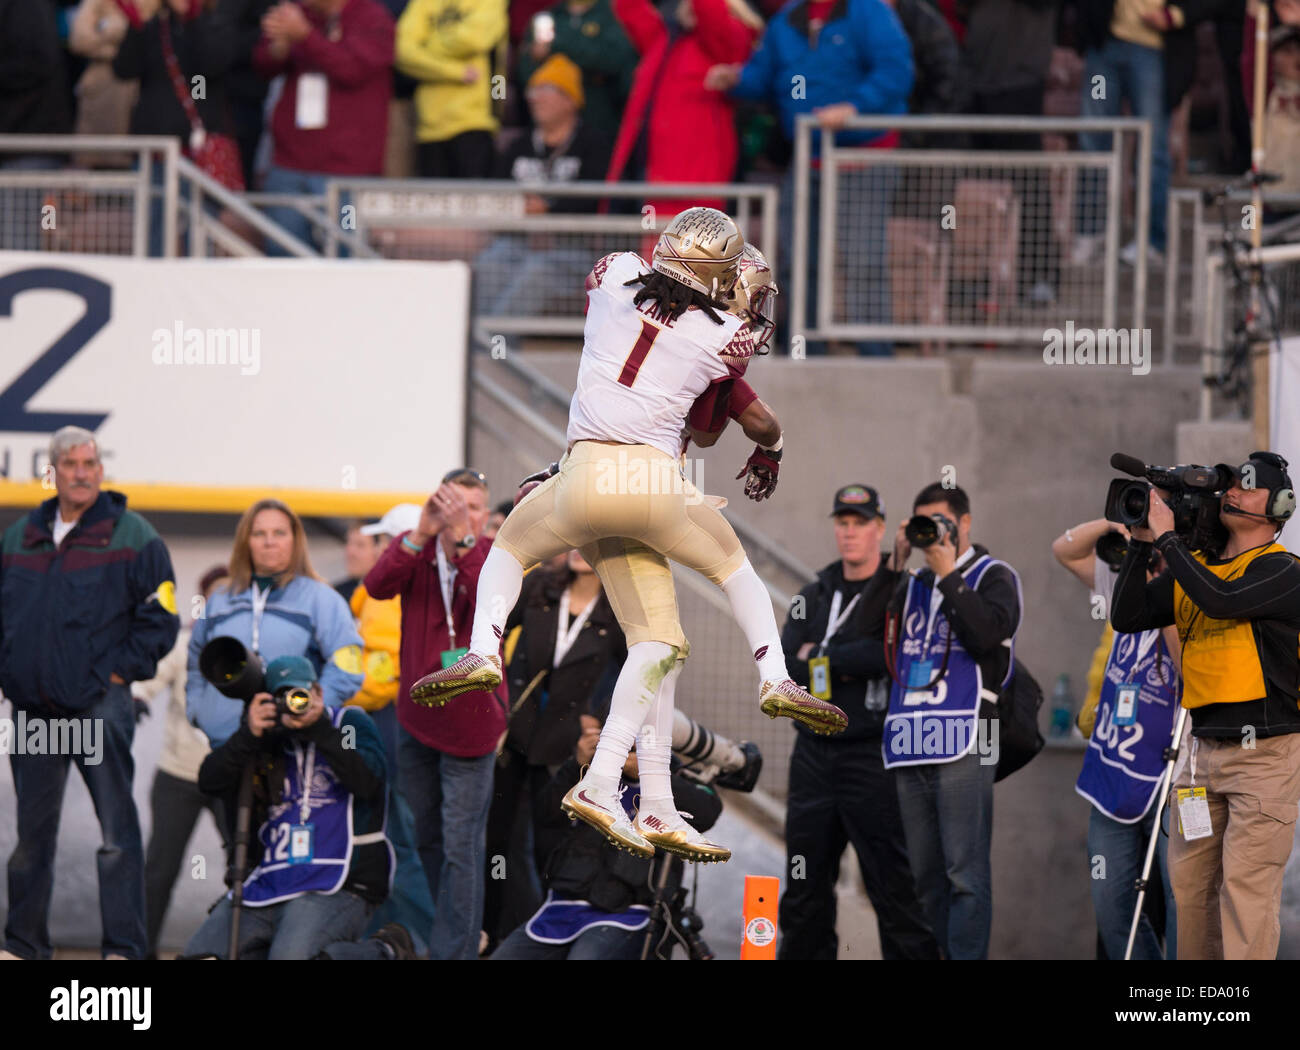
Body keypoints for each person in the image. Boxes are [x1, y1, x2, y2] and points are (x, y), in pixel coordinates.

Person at [411, 210, 848, 864]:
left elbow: (622, 278)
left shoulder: (617, 274)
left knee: (516, 554)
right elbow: (729, 419)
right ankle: (774, 675)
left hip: (581, 478)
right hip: (653, 488)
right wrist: (772, 447)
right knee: (727, 575)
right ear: (721, 281)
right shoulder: (723, 332)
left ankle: (495, 662)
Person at [1110, 452, 1300, 960]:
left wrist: (1170, 539)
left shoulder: (1283, 570)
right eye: (1231, 484)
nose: (1233, 492)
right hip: (1200, 754)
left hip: (1265, 758)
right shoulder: (1198, 571)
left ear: (1281, 505)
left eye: (1250, 486)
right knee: (1191, 897)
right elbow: (1126, 616)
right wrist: (1139, 544)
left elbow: (1223, 599)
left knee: (1245, 897)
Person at [0, 426, 179, 961]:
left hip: (98, 708)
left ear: (101, 470)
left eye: (90, 463)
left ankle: (123, 950)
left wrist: (117, 676)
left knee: (115, 838)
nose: (82, 472)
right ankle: (23, 945)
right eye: (71, 464)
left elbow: (162, 618)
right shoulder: (18, 538)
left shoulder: (134, 535)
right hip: (34, 713)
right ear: (51, 472)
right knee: (31, 841)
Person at [778, 485, 940, 960]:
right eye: (842, 522)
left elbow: (891, 656)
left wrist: (824, 655)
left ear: (880, 530)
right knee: (804, 887)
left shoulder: (902, 588)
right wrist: (846, 659)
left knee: (894, 888)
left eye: (860, 523)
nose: (849, 532)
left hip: (871, 754)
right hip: (812, 755)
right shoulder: (815, 593)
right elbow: (787, 669)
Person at [705, 0, 913, 356]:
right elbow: (763, 76)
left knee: (863, 260)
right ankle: (805, 348)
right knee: (798, 259)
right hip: (806, 159)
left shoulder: (868, 11)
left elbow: (896, 71)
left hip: (862, 158)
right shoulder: (788, 19)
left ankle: (876, 355)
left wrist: (856, 108)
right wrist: (737, 79)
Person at [362, 469, 505, 960]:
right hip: (416, 721)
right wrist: (422, 532)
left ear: (485, 517)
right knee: (427, 840)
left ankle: (456, 953)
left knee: (460, 848)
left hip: (472, 725)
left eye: (474, 508)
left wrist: (463, 537)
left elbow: (492, 600)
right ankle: (456, 939)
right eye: (453, 504)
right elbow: (377, 586)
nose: (463, 515)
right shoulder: (417, 548)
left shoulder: (493, 556)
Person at [183, 656, 408, 959]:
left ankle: (383, 952)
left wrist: (319, 729)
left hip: (339, 881)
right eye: (283, 697)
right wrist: (248, 735)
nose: (294, 704)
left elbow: (369, 782)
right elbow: (209, 781)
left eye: (299, 694)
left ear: (318, 692)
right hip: (270, 880)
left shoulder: (348, 723)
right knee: (200, 957)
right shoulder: (265, 740)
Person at [883, 482, 1022, 960]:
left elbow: (987, 636)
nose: (934, 535)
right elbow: (870, 632)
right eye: (924, 525)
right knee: (925, 876)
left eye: (941, 523)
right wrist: (897, 562)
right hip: (910, 738)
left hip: (969, 737)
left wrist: (948, 575)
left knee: (965, 873)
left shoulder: (994, 575)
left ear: (964, 524)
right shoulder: (911, 582)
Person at [490, 705, 726, 960]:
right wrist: (576, 764)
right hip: (564, 905)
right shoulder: (594, 768)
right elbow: (545, 815)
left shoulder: (673, 774)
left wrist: (652, 775)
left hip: (629, 912)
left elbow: (708, 812)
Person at [483, 547, 626, 949]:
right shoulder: (539, 587)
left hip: (566, 745)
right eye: (575, 539)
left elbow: (638, 673)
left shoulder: (617, 612)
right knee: (497, 840)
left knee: (551, 841)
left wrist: (598, 718)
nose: (581, 549)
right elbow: (488, 632)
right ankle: (490, 934)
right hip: (514, 734)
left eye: (594, 541)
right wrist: (493, 694)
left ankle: (551, 936)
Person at [1053, 517, 1180, 960]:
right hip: (1113, 772)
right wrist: (1117, 524)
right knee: (1111, 907)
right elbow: (1065, 549)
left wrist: (1165, 583)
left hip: (1169, 783)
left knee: (1181, 910)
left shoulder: (1191, 588)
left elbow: (1192, 672)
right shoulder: (1123, 584)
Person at [187, 497, 365, 751]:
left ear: (295, 540)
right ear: (245, 542)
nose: (269, 541)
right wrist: (198, 711)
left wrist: (313, 708)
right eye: (259, 533)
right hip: (226, 747)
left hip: (294, 748)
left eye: (279, 533)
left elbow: (349, 662)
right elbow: (195, 659)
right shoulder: (219, 601)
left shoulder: (322, 599)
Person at [473, 53, 614, 326]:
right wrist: (519, 209)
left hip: (572, 245)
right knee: (489, 263)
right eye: (534, 90)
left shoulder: (593, 143)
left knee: (537, 272)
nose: (535, 97)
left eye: (546, 90)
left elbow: (595, 198)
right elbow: (497, 190)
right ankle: (473, 344)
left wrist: (548, 209)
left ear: (570, 100)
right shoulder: (519, 145)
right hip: (518, 238)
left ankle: (495, 345)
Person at [137, 564, 233, 959]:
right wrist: (136, 697)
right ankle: (139, 951)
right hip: (179, 776)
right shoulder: (183, 644)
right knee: (158, 871)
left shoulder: (254, 650)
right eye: (216, 595)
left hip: (232, 776)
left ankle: (240, 948)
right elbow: (150, 677)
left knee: (245, 871)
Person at [253, 0, 395, 254]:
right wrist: (278, 47)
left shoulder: (373, 18)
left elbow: (351, 70)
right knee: (282, 255)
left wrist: (306, 36)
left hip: (349, 173)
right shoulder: (298, 14)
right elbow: (263, 65)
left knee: (347, 253)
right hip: (290, 165)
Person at [604, 0, 760, 216]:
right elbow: (630, 8)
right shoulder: (665, 40)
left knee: (687, 249)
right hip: (650, 179)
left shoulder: (729, 38)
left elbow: (710, 14)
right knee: (653, 248)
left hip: (694, 187)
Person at [111, 0, 242, 256]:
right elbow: (124, 70)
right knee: (153, 234)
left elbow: (210, 66)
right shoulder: (155, 29)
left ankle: (200, 289)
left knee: (201, 234)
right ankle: (152, 287)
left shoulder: (218, 23)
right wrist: (135, 26)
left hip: (198, 155)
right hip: (156, 154)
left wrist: (192, 20)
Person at [961, 0, 1060, 304]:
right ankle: (975, 277)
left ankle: (1040, 276)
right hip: (975, 78)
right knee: (972, 190)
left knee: (1028, 182)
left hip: (1020, 81)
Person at [393, 0, 506, 179]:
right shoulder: (423, 3)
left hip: (476, 121)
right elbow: (400, 50)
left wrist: (425, 46)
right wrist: (456, 72)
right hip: (429, 125)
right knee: (434, 205)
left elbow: (477, 39)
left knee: (473, 202)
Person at [518, 0, 639, 139]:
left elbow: (615, 62)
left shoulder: (613, 15)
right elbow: (526, 72)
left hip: (601, 123)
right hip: (548, 130)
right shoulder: (546, 18)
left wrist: (556, 45)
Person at [334, 517, 384, 606]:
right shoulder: (336, 594)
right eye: (348, 543)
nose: (350, 552)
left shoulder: (391, 596)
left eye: (360, 545)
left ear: (381, 550)